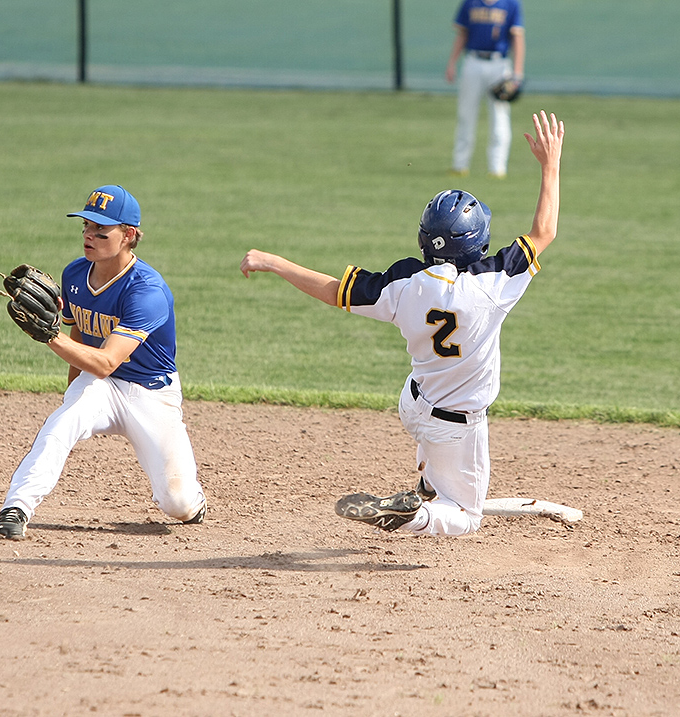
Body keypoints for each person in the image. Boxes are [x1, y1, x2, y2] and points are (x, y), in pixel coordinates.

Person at [240, 110, 563, 537]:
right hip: (455, 422)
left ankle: (430, 485)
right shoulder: (491, 285)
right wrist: (550, 165)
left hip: (413, 404)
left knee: (435, 458)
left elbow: (335, 289)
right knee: (466, 518)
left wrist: (274, 262)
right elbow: (544, 231)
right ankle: (413, 516)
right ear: (476, 244)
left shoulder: (404, 283)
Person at [0, 185, 207, 539]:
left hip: (150, 394)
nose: (89, 236)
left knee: (178, 504)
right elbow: (79, 339)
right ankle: (15, 507)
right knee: (60, 425)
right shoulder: (74, 275)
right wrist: (72, 393)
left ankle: (196, 501)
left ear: (129, 236)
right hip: (98, 385)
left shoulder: (146, 291)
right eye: (86, 228)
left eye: (101, 231)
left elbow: (106, 360)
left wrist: (49, 336)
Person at [446, 0, 525, 178]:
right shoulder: (470, 2)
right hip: (473, 61)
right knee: (465, 114)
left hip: (499, 64)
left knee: (499, 116)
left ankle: (497, 167)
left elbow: (517, 38)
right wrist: (452, 63)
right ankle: (460, 165)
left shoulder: (510, 4)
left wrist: (517, 73)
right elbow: (462, 34)